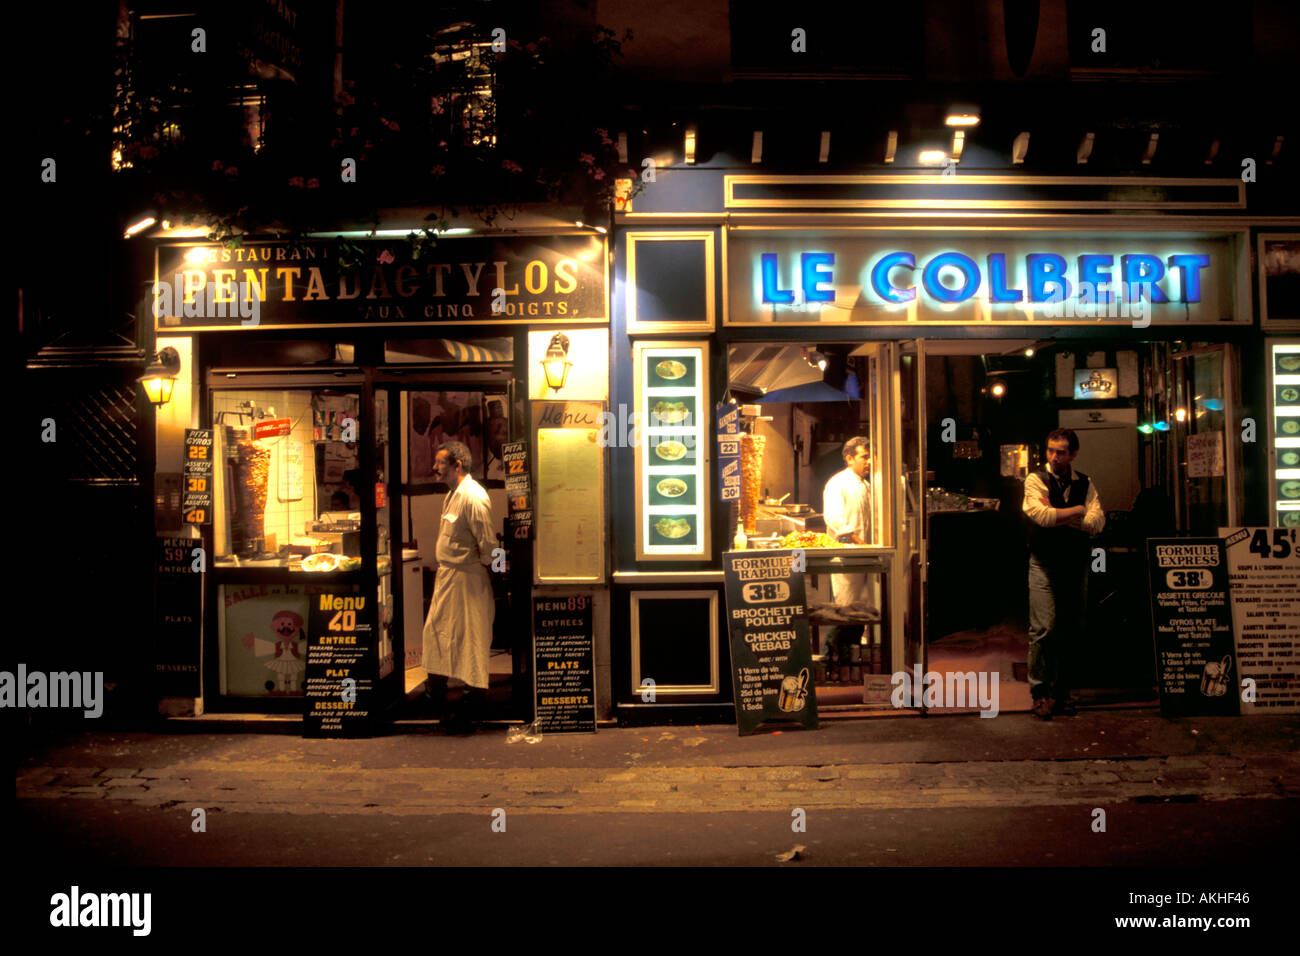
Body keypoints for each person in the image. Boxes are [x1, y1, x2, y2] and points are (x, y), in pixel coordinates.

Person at [1021, 428, 1105, 719]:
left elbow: (1097, 523)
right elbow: (1042, 517)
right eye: (1050, 450)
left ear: (1073, 454)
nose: (1054, 457)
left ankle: (1063, 690)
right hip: (1043, 561)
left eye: (1060, 452)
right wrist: (1079, 510)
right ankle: (1040, 692)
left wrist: (1062, 515)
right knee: (1043, 627)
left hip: (1075, 562)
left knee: (1070, 626)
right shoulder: (1035, 479)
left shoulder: (1085, 481)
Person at [422, 440, 499, 733]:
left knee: (471, 640)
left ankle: (470, 706)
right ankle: (437, 698)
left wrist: (489, 568)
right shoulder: (453, 494)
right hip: (448, 578)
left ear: (457, 465)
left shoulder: (473, 497)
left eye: (440, 462)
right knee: (436, 635)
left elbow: (489, 545)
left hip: (467, 580)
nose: (434, 467)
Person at [821, 436, 873, 666]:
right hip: (846, 555)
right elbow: (835, 520)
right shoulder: (837, 483)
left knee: (860, 610)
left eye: (870, 457)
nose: (869, 461)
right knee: (845, 608)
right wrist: (858, 541)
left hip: (864, 555)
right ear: (849, 458)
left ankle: (847, 659)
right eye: (864, 457)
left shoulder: (866, 485)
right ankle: (829, 656)